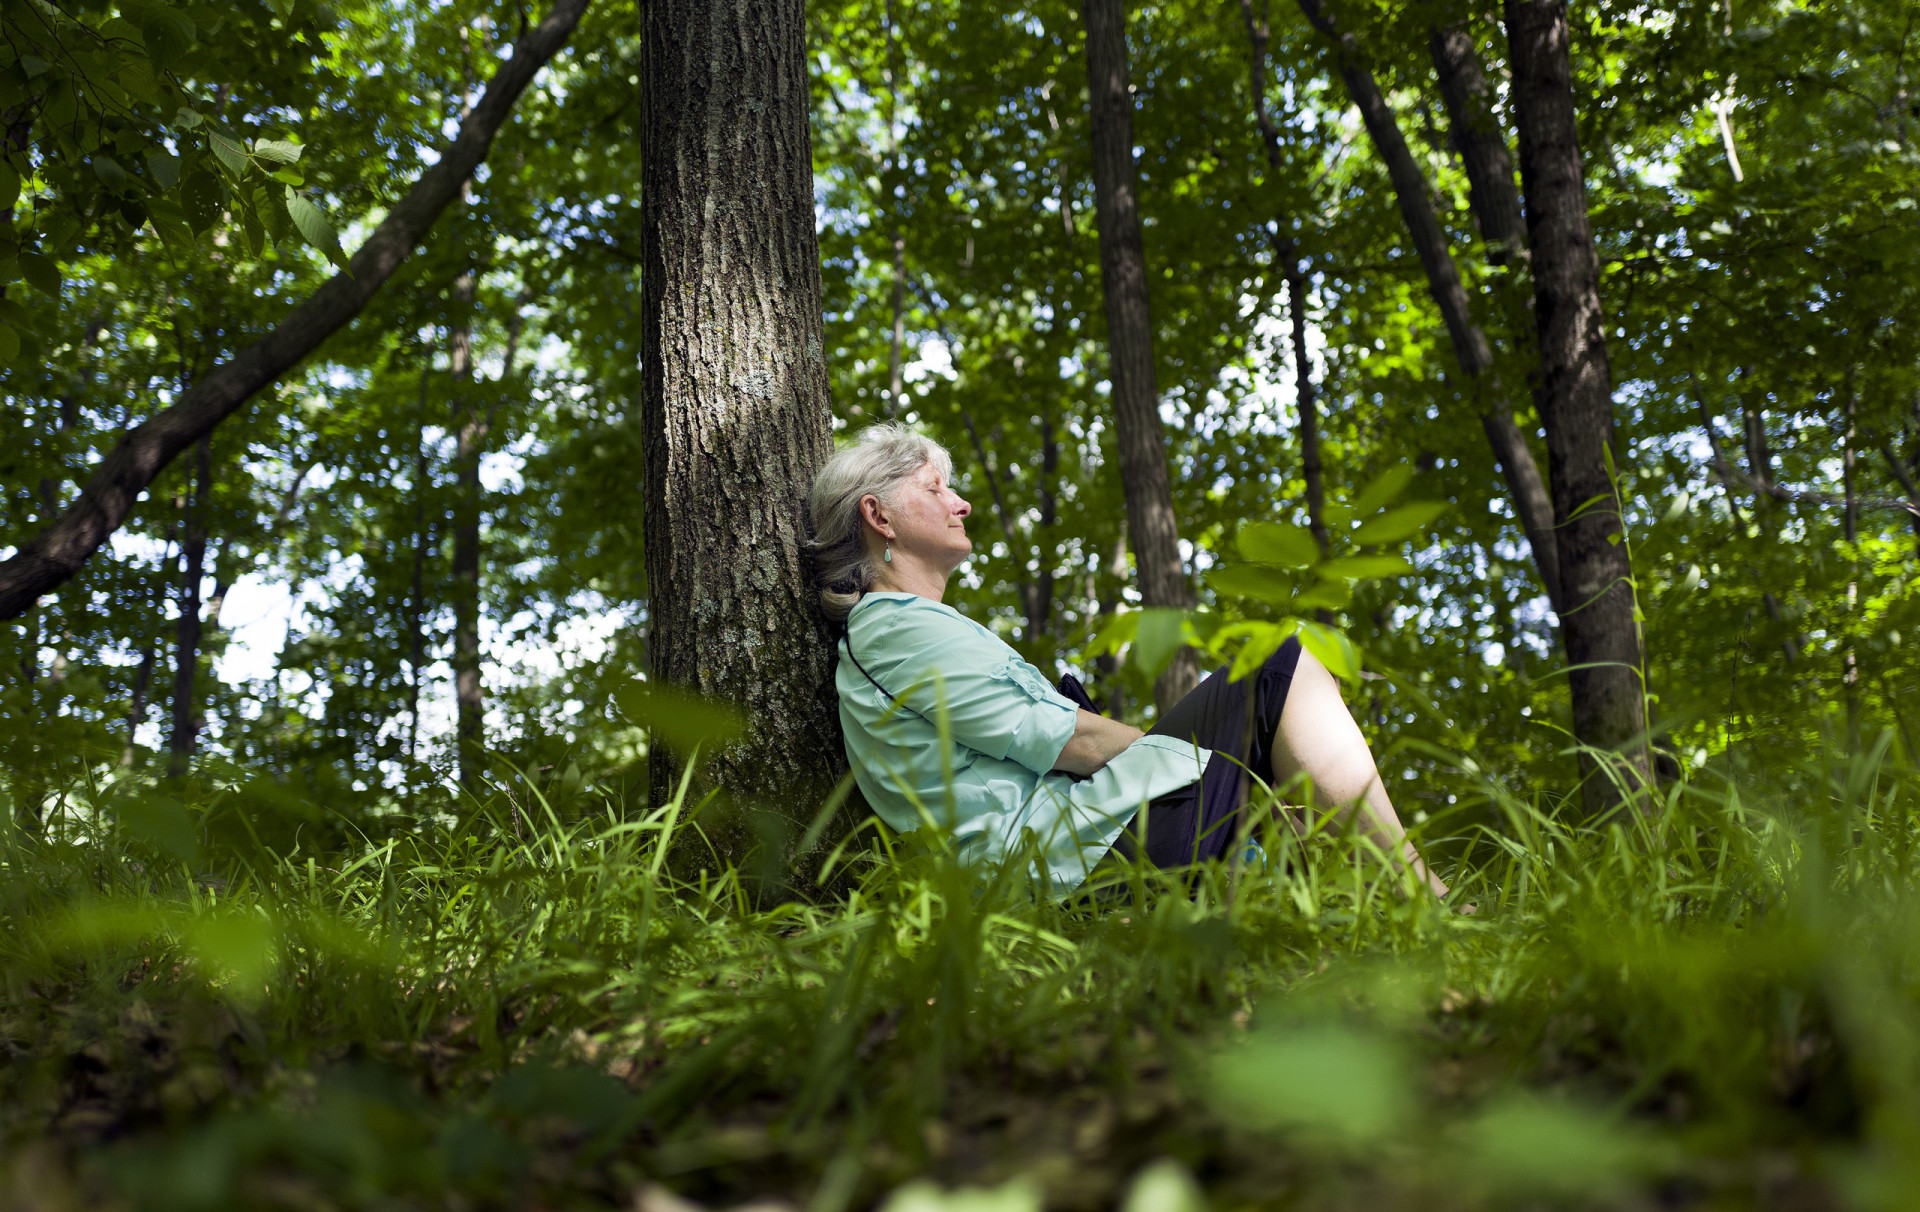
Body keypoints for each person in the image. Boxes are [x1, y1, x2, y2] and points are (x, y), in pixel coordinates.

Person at [806, 423, 1450, 900]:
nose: (960, 503)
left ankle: (1371, 898)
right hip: (1068, 864)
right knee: (1282, 663)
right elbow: (1075, 741)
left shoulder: (909, 629)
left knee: (1274, 704)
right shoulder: (895, 629)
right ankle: (1427, 901)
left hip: (1078, 849)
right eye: (936, 488)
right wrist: (1236, 778)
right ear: (878, 515)